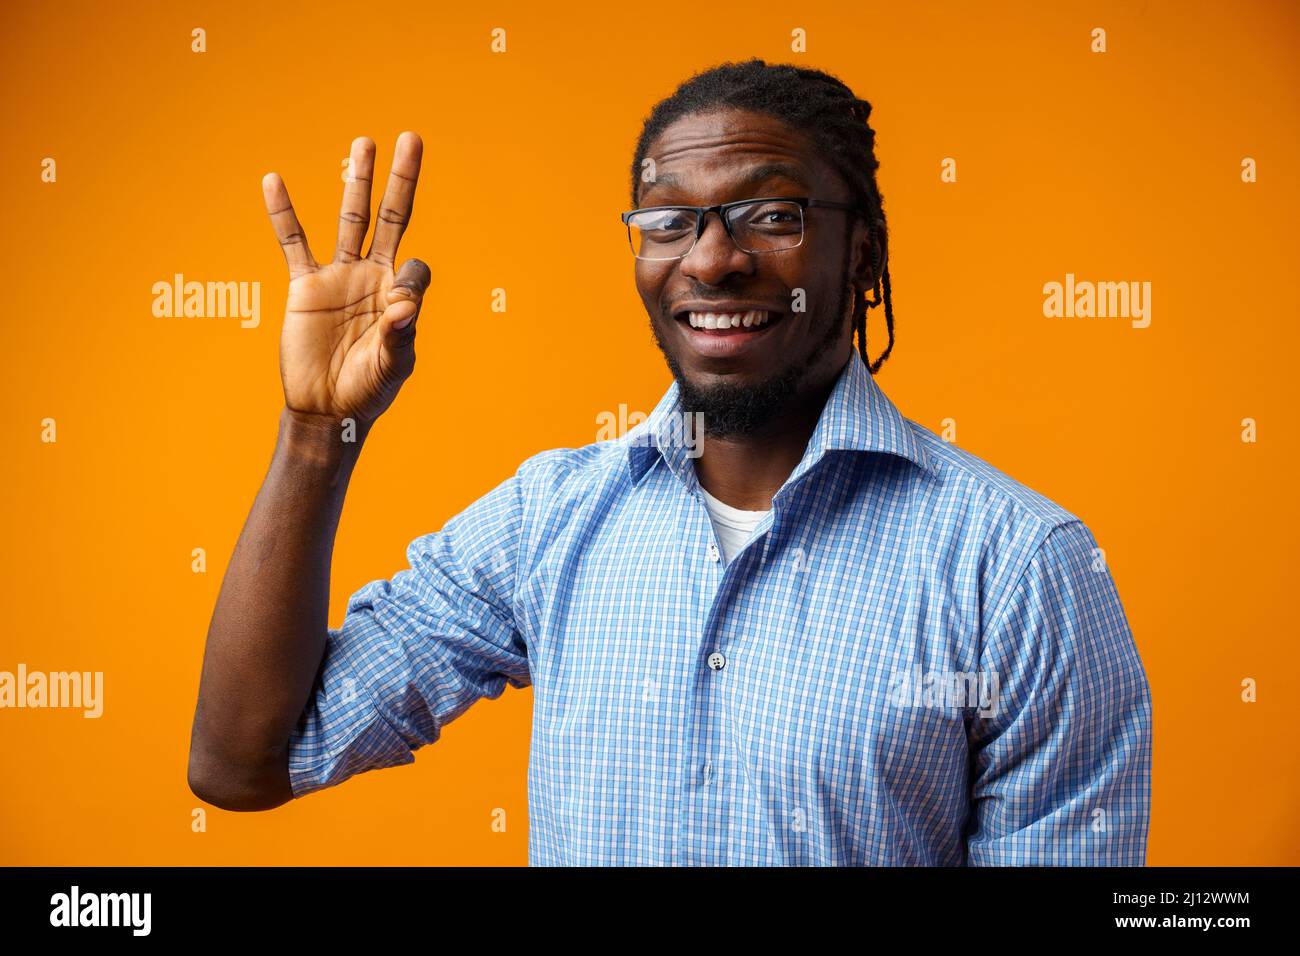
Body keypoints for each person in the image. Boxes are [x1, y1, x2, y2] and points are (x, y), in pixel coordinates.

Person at [187, 59, 1152, 866]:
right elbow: (245, 763)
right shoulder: (550, 519)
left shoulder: (1022, 568)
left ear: (862, 254)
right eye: (668, 222)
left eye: (771, 215)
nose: (712, 258)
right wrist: (318, 432)